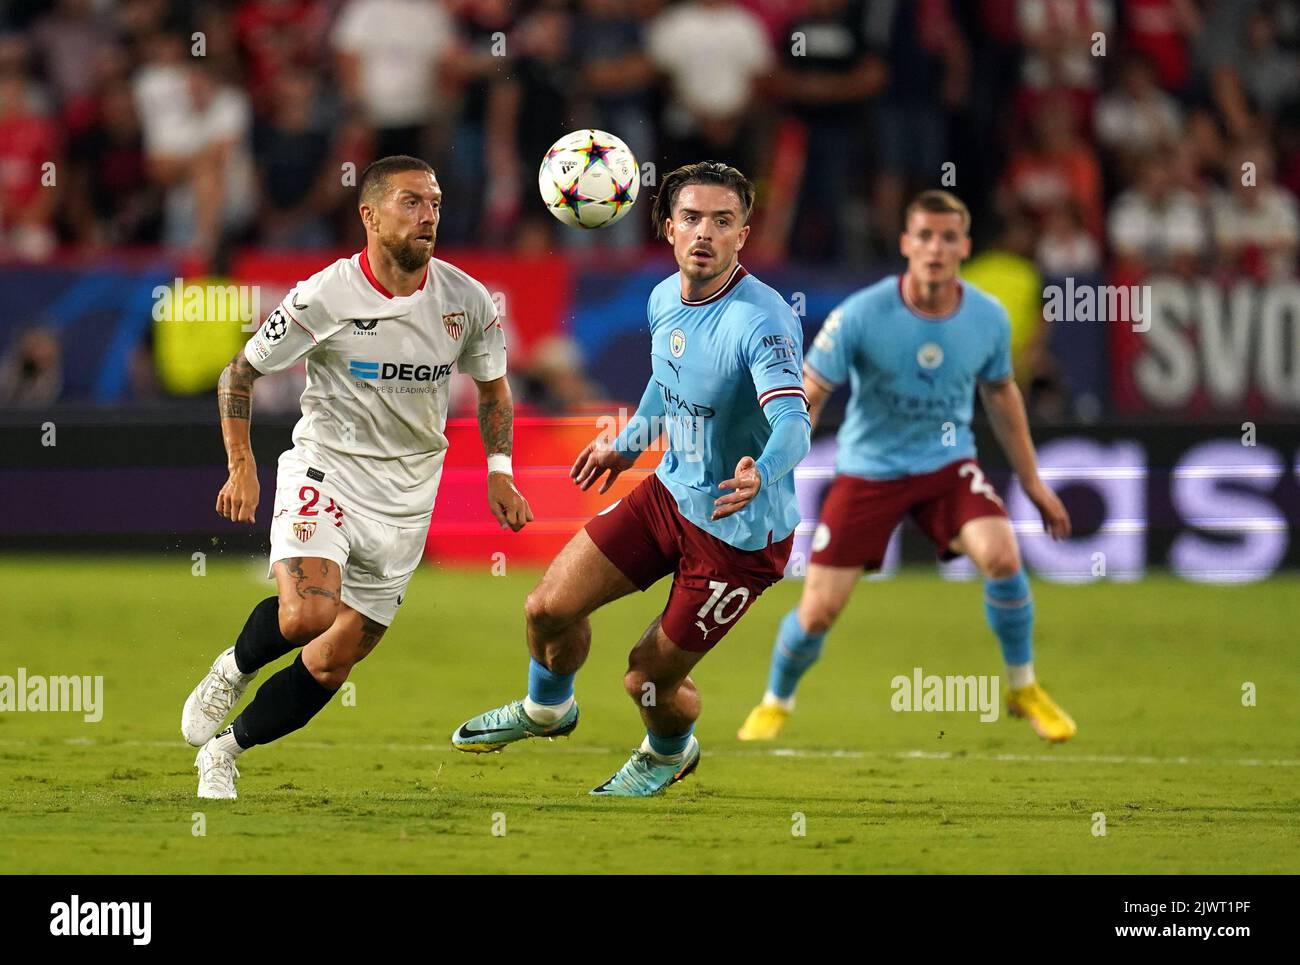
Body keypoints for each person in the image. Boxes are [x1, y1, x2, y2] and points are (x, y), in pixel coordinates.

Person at [452, 161, 810, 796]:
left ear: (742, 236)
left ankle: (670, 750)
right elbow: (664, 387)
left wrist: (764, 473)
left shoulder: (762, 321)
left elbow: (793, 422)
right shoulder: (662, 296)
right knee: (547, 610)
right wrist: (626, 445)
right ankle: (547, 709)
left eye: (722, 222)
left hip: (737, 532)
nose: (705, 233)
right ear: (668, 228)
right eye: (692, 218)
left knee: (646, 677)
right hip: (668, 496)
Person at [181, 155, 532, 799]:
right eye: (410, 202)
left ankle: (225, 753)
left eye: (434, 203)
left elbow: (493, 392)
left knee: (334, 659)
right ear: (368, 215)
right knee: (308, 615)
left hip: (408, 499)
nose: (428, 215)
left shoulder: (468, 299)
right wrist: (242, 465)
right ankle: (232, 668)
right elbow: (239, 373)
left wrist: (500, 471)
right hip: (329, 469)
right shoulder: (325, 295)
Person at [737, 189, 1077, 743]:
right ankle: (777, 699)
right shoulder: (863, 315)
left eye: (947, 238)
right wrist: (772, 466)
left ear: (964, 246)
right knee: (820, 611)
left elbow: (1002, 395)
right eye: (924, 236)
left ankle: (1023, 686)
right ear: (905, 244)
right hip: (869, 471)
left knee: (1000, 555)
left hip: (947, 466)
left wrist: (1034, 482)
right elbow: (809, 393)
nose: (935, 249)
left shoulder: (987, 318)